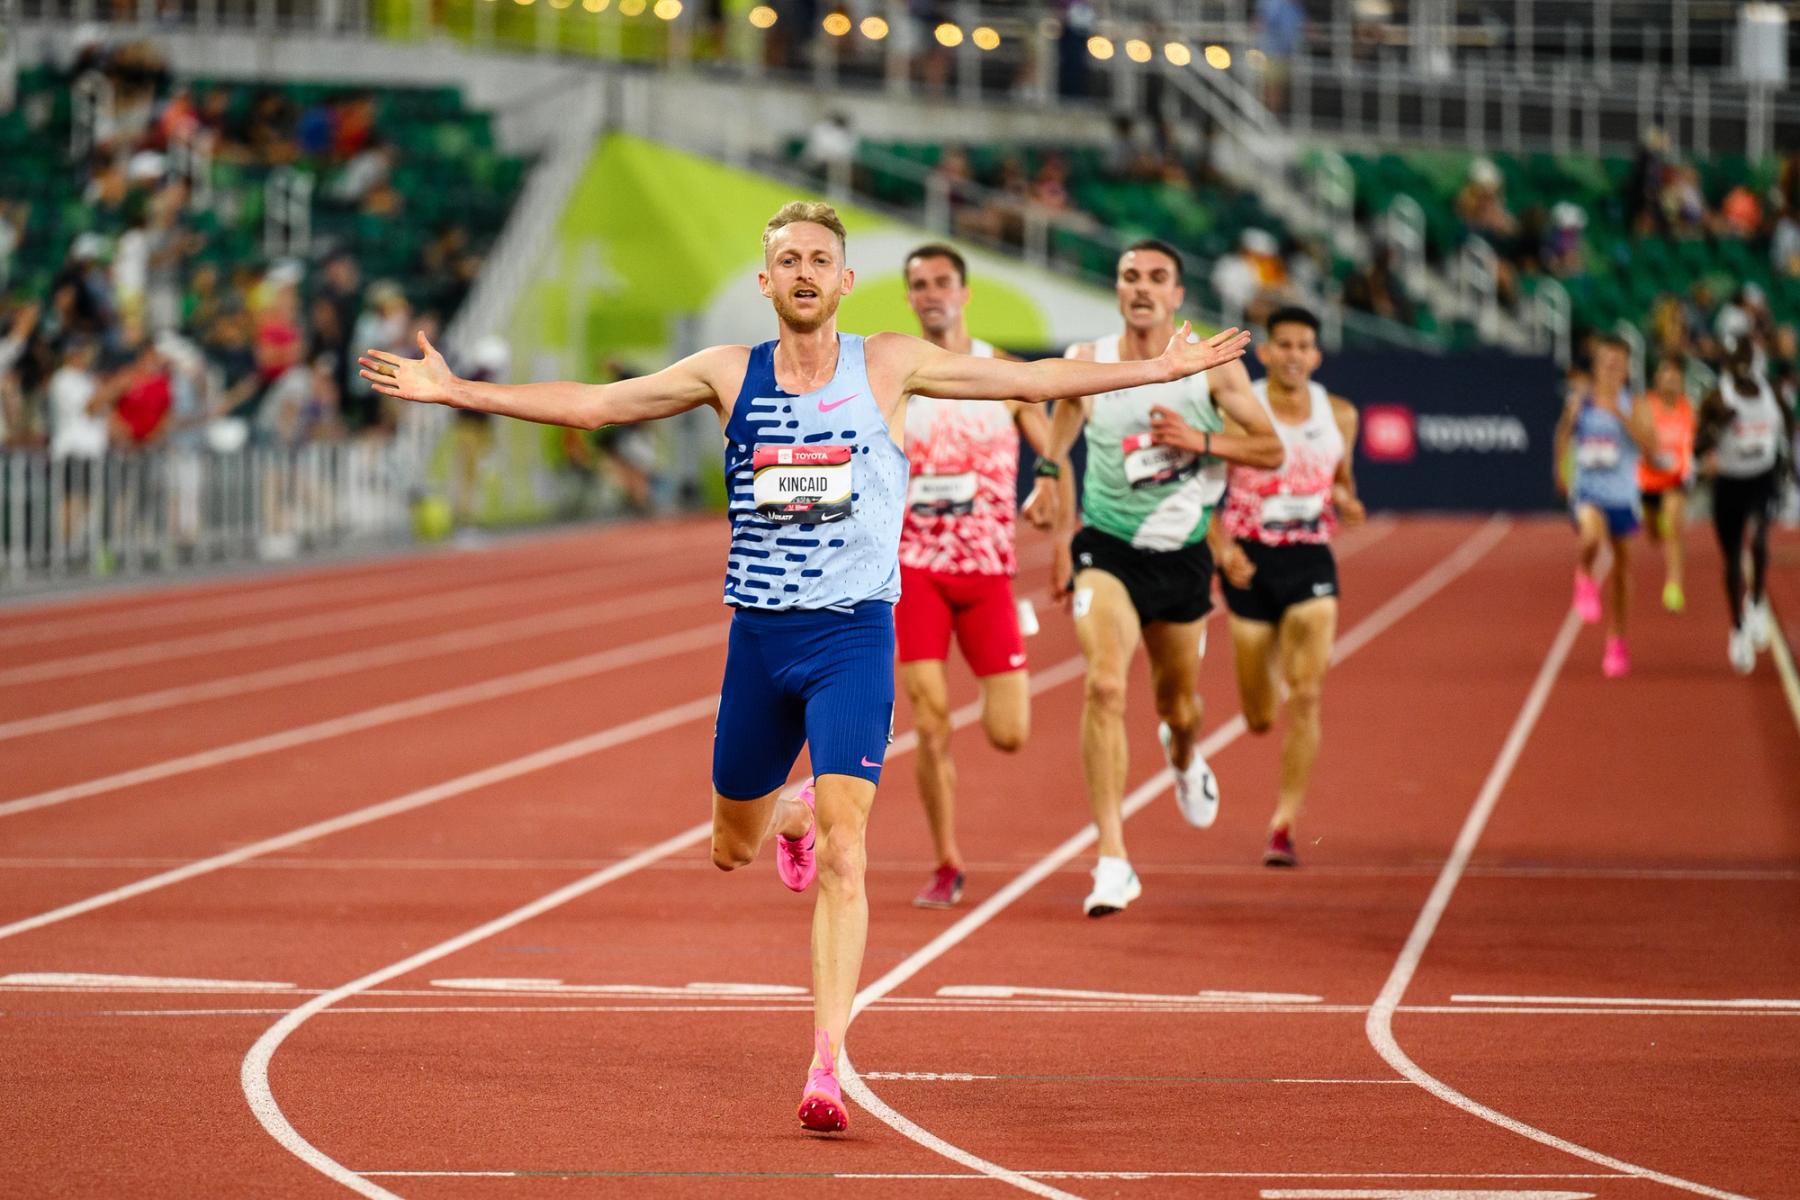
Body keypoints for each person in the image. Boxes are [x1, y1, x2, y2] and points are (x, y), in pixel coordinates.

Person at [361, 201, 1250, 1131]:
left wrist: (1158, 368)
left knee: (849, 851)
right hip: (760, 641)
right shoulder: (726, 374)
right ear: (766, 280)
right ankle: (788, 815)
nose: (805, 273)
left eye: (821, 259)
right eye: (789, 260)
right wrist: (458, 392)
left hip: (852, 636)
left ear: (845, 280)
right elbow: (596, 404)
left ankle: (827, 1063)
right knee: (729, 849)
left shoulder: (890, 364)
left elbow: (1027, 380)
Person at [1024, 239, 1282, 918]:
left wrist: (1200, 441)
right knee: (1105, 686)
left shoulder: (1212, 369)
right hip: (1107, 550)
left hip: (1182, 558)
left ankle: (1184, 752)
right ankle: (1113, 860)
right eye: (1130, 276)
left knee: (1180, 708)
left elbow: (1270, 448)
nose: (1141, 287)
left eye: (1156, 277)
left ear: (1177, 295)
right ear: (1117, 289)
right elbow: (1064, 418)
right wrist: (1050, 482)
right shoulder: (1090, 359)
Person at [895, 243, 1055, 909]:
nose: (932, 293)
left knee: (1009, 733)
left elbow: (1053, 449)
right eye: (920, 284)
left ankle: (1001, 665)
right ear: (910, 297)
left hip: (988, 573)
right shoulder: (896, 378)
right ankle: (946, 860)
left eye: (942, 282)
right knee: (930, 723)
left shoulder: (1003, 372)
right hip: (915, 572)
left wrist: (1049, 482)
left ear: (964, 292)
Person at [1209, 306, 1362, 869]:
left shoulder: (1339, 414)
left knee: (1307, 693)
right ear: (1266, 352)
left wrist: (1346, 500)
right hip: (1249, 564)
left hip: (1310, 559)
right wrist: (1223, 551)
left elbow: (1342, 482)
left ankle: (1284, 823)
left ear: (1316, 355)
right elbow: (1204, 496)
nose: (1294, 355)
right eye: (1285, 345)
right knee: (1256, 717)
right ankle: (1265, 686)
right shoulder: (1237, 411)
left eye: (1304, 346)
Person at [1553, 335, 1661, 678]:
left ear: (1627, 370)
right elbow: (1563, 434)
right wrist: (1560, 469)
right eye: (1606, 363)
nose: (1612, 370)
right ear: (1597, 367)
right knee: (1590, 537)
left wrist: (1621, 416)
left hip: (1623, 496)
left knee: (1622, 571)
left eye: (1618, 364)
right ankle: (1584, 576)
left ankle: (1617, 640)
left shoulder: (1636, 405)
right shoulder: (1581, 402)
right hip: (1588, 491)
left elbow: (1652, 450)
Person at [1697, 337, 1793, 673]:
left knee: (1761, 539)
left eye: (1746, 358)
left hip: (1762, 479)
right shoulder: (1716, 397)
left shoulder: (1772, 394)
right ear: (1726, 364)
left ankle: (1756, 602)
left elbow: (1788, 428)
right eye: (1734, 359)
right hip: (1730, 483)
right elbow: (1697, 446)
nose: (1741, 366)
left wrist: (1789, 468)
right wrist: (1717, 426)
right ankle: (1737, 626)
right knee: (1733, 558)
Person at [1636, 355, 1697, 614]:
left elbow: (1695, 443)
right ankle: (1657, 522)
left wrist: (1695, 462)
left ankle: (1674, 584)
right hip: (1649, 480)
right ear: (1657, 379)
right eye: (1666, 374)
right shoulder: (1645, 406)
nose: (1671, 380)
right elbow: (1641, 439)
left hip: (1676, 480)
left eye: (1675, 375)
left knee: (1674, 527)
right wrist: (1652, 452)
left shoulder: (1689, 408)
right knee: (1653, 535)